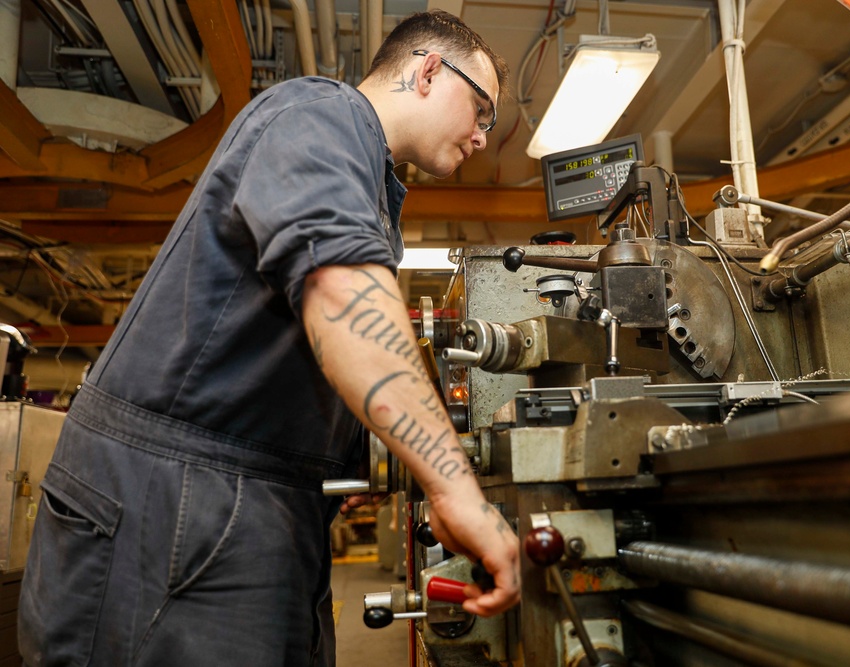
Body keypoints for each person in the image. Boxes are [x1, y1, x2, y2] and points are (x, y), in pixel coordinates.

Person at [18, 10, 518, 666]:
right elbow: (342, 294)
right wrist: (455, 488)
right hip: (175, 498)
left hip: (256, 500)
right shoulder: (320, 114)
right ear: (427, 71)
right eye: (480, 109)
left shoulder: (369, 175)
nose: (483, 137)